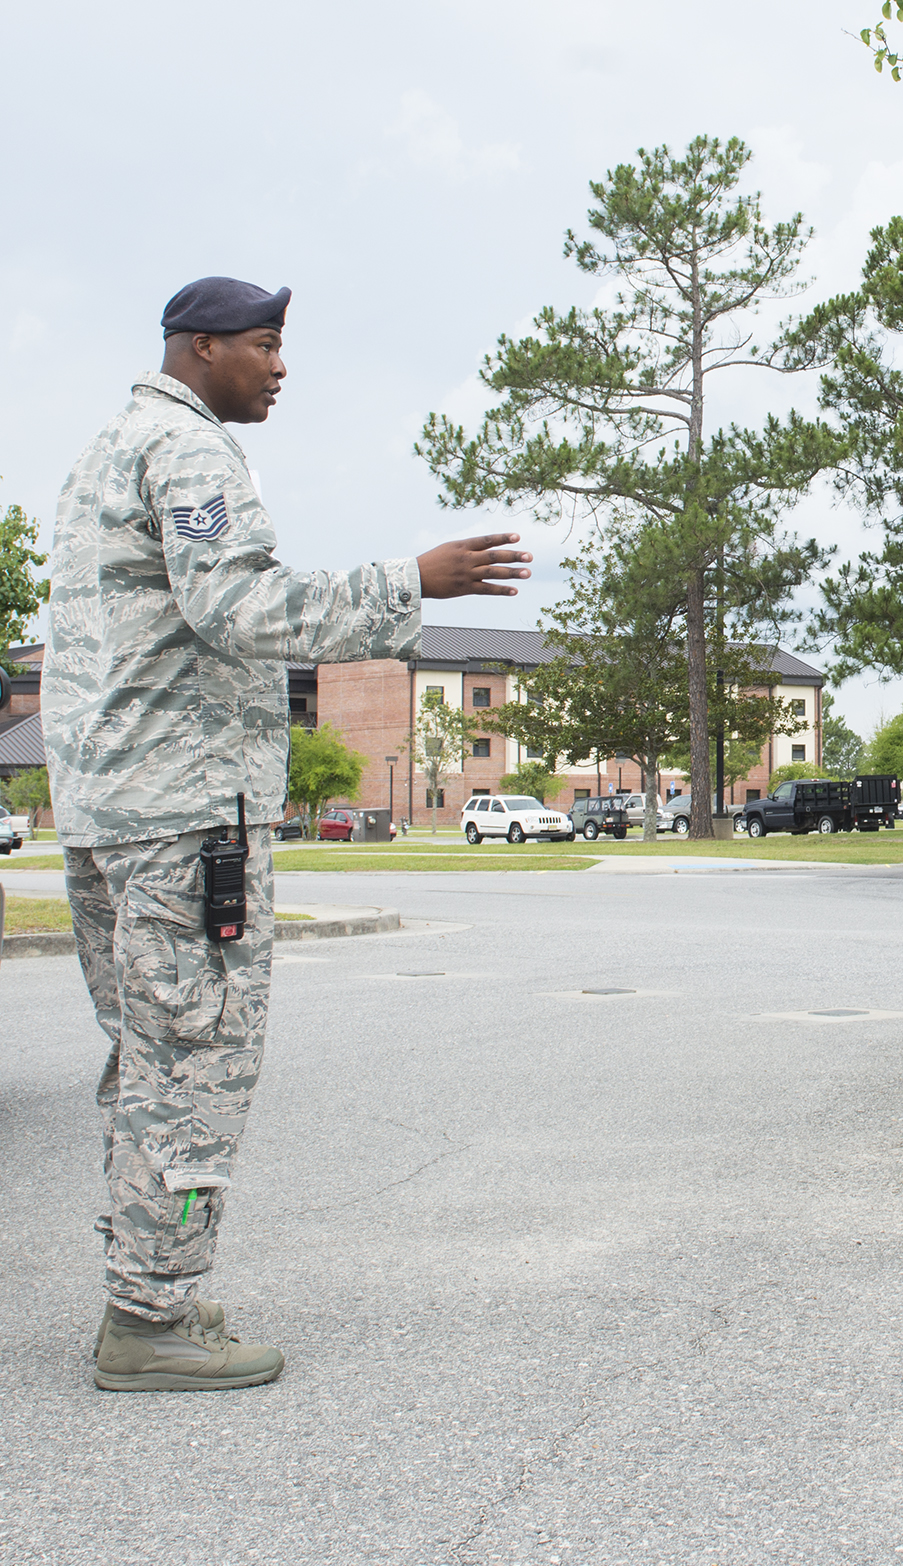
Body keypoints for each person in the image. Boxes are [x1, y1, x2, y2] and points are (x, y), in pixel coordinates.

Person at [45, 276, 532, 1391]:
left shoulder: (106, 449)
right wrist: (410, 581)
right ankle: (149, 1321)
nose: (278, 367)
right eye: (262, 345)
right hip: (184, 815)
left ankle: (148, 1287)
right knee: (196, 1060)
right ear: (200, 348)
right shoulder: (191, 450)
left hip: (109, 810)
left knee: (148, 1056)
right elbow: (239, 608)